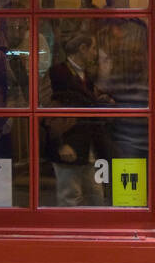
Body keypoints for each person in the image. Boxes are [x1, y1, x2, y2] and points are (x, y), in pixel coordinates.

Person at [46, 34, 112, 205]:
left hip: (90, 146)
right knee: (70, 196)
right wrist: (59, 144)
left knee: (96, 195)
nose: (95, 53)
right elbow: (46, 111)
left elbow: (86, 102)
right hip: (69, 145)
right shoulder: (57, 73)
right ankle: (67, 232)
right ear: (82, 49)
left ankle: (96, 231)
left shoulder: (86, 77)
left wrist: (100, 100)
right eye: (93, 48)